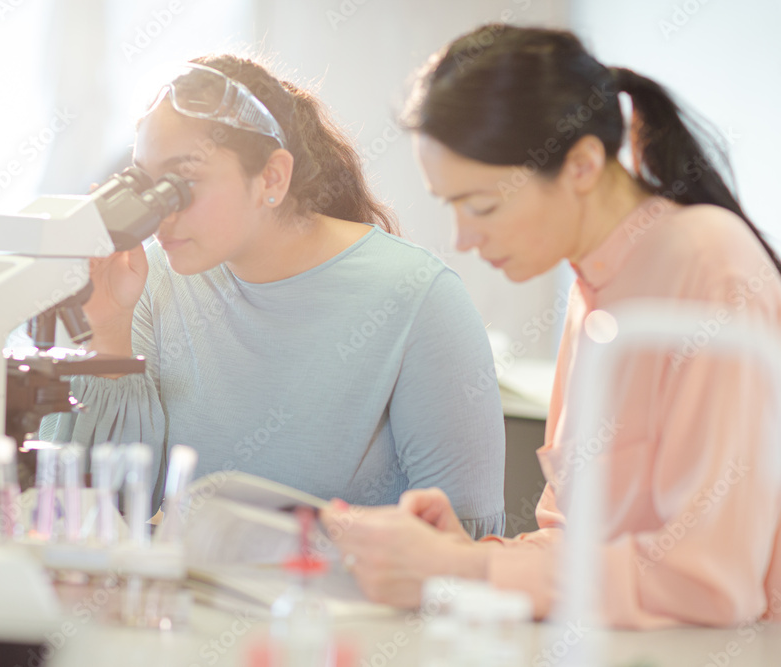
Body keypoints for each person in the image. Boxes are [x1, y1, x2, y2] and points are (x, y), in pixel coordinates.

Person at [321, 25, 781, 628]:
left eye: (482, 205)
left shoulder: (711, 268)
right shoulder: (591, 288)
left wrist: (465, 571)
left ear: (583, 164)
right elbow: (581, 547)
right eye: (450, 205)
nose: (463, 238)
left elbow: (707, 584)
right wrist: (464, 553)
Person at [44, 55, 507, 538]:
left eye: (183, 182)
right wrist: (108, 332)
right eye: (146, 182)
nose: (160, 213)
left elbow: (458, 544)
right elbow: (101, 512)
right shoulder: (153, 278)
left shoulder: (419, 298)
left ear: (272, 178)